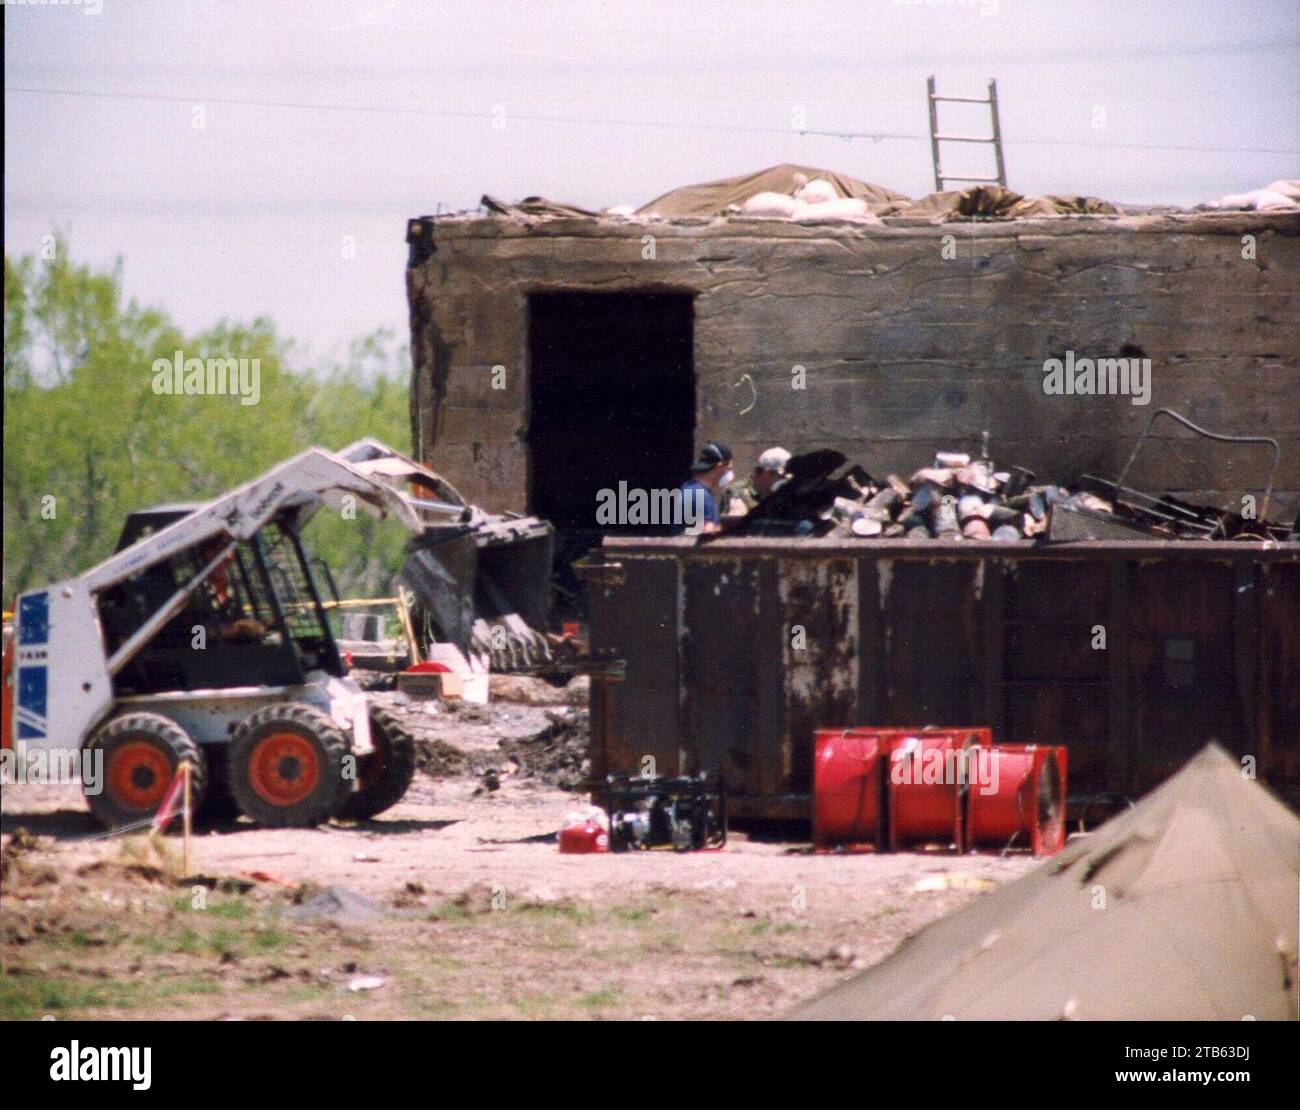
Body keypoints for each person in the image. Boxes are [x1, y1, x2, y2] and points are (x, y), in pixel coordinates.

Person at [673, 440, 733, 535]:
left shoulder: (689, 486)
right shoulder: (702, 496)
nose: (730, 473)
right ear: (719, 467)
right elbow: (707, 532)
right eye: (729, 468)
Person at [722, 446, 792, 517]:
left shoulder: (784, 494)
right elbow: (727, 524)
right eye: (782, 477)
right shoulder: (736, 492)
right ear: (767, 474)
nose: (785, 481)